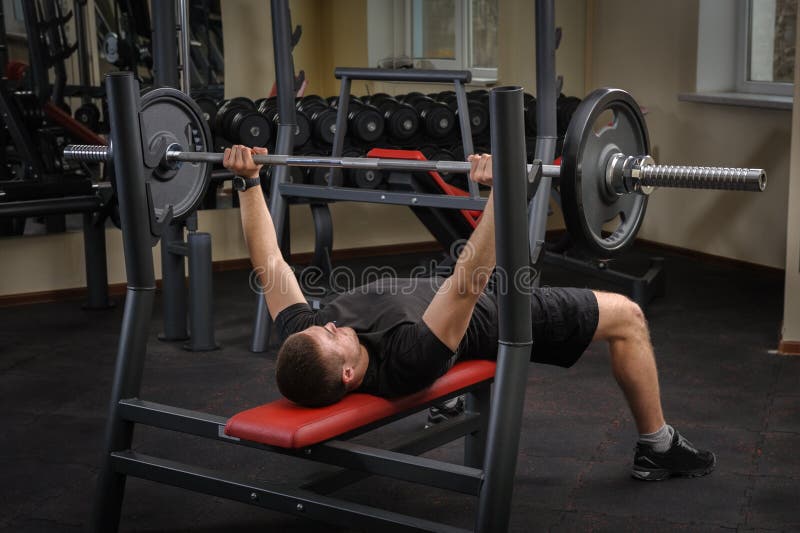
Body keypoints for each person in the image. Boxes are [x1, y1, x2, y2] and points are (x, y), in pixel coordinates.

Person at [224, 145, 716, 481]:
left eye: (322, 327)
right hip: (491, 307)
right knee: (627, 316)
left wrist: (247, 182)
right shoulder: (407, 358)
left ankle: (450, 394)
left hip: (433, 291)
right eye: (331, 336)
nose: (328, 323)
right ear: (350, 374)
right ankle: (657, 446)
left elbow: (269, 264)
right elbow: (472, 277)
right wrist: (502, 191)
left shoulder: (307, 337)